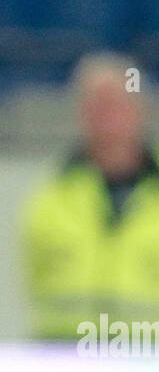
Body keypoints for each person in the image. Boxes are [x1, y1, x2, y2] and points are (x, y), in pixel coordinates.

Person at [22, 54, 159, 339]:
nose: (106, 118)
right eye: (95, 107)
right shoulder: (52, 197)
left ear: (141, 110)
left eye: (115, 105)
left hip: (148, 360)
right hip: (66, 355)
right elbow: (34, 274)